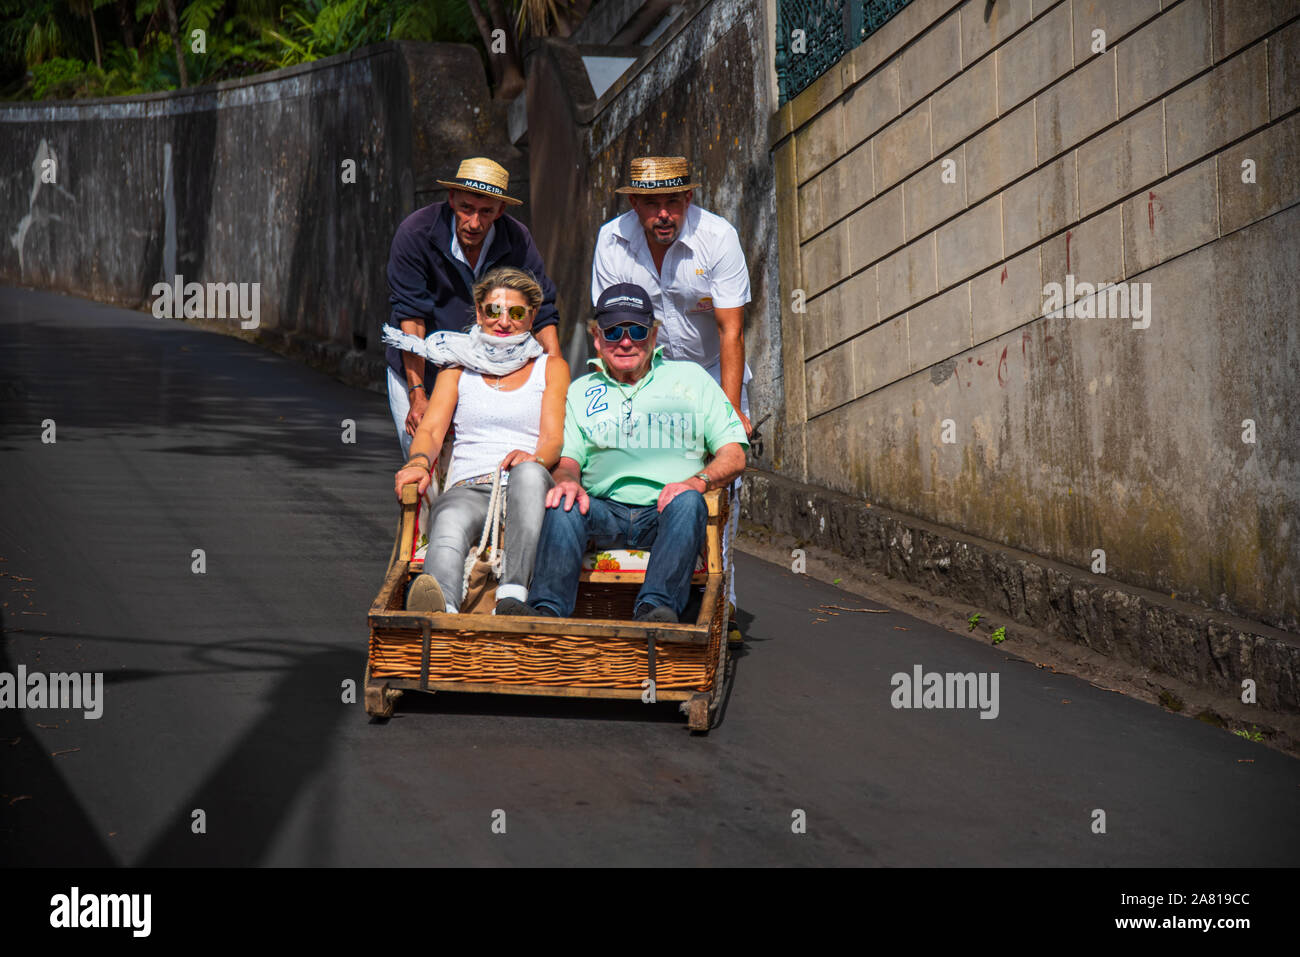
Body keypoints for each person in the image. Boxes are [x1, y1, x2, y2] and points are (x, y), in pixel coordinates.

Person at [500, 283, 748, 622]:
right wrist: (568, 480)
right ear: (598, 339)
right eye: (614, 331)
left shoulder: (692, 379)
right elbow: (569, 460)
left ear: (654, 335)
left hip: (667, 508)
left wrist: (697, 481)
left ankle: (654, 610)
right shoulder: (581, 390)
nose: (626, 341)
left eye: (637, 330)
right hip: (602, 509)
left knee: (689, 503)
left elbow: (734, 455)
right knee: (563, 501)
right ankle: (546, 613)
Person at [590, 155, 752, 629]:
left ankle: (721, 603)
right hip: (644, 375)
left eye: (673, 202)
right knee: (641, 478)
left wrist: (730, 411)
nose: (664, 214)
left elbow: (731, 331)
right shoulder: (611, 240)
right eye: (652, 203)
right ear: (635, 205)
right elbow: (610, 328)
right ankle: (637, 592)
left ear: (689, 199)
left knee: (718, 482)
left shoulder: (717, 238)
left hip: (709, 370)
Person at [390, 267, 569, 615]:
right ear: (478, 312)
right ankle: (439, 608)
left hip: (525, 487)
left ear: (531, 316)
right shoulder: (457, 367)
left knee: (530, 473)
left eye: (516, 313)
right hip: (470, 487)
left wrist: (532, 459)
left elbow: (552, 439)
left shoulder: (551, 367)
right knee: (450, 518)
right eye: (493, 311)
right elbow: (430, 430)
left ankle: (512, 595)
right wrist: (418, 463)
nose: (503, 321)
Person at [386, 156, 562, 459]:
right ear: (452, 199)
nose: (475, 222)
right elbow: (411, 317)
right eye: (466, 208)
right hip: (421, 367)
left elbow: (542, 311)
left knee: (485, 463)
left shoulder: (517, 239)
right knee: (422, 461)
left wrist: (557, 380)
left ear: (501, 210)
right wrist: (417, 395)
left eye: (486, 211)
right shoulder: (415, 233)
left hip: (493, 373)